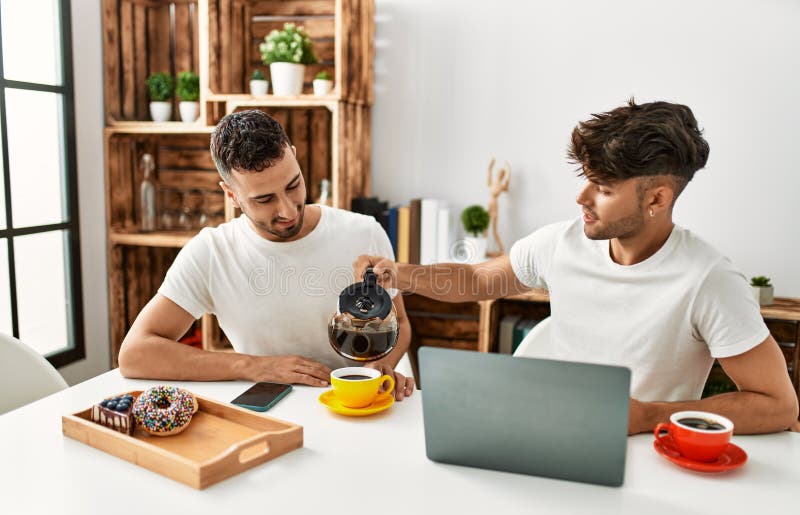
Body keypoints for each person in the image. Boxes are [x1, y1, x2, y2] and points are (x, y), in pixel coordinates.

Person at [354, 99, 798, 431]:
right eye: (586, 180)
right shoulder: (560, 243)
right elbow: (474, 280)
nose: (581, 198)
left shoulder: (709, 280)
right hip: (548, 432)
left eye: (603, 187)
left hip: (646, 457)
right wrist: (402, 273)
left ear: (657, 199)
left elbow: (778, 404)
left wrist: (648, 416)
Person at [119, 110, 415, 400]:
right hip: (272, 415)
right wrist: (253, 366)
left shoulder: (364, 232)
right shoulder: (211, 254)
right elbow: (135, 353)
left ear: (295, 157)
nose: (287, 210)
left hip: (360, 409)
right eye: (264, 199)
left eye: (293, 185)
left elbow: (399, 322)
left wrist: (382, 365)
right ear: (231, 195)